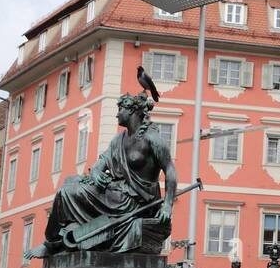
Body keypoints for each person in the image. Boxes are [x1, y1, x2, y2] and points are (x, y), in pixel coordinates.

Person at [25, 92, 178, 258]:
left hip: (134, 202)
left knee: (66, 193)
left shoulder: (153, 139)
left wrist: (168, 205)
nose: (117, 113)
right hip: (116, 193)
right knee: (70, 183)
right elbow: (101, 162)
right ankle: (59, 240)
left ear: (132, 111)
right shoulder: (118, 140)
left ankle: (52, 244)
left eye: (121, 109)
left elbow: (170, 171)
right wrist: (97, 172)